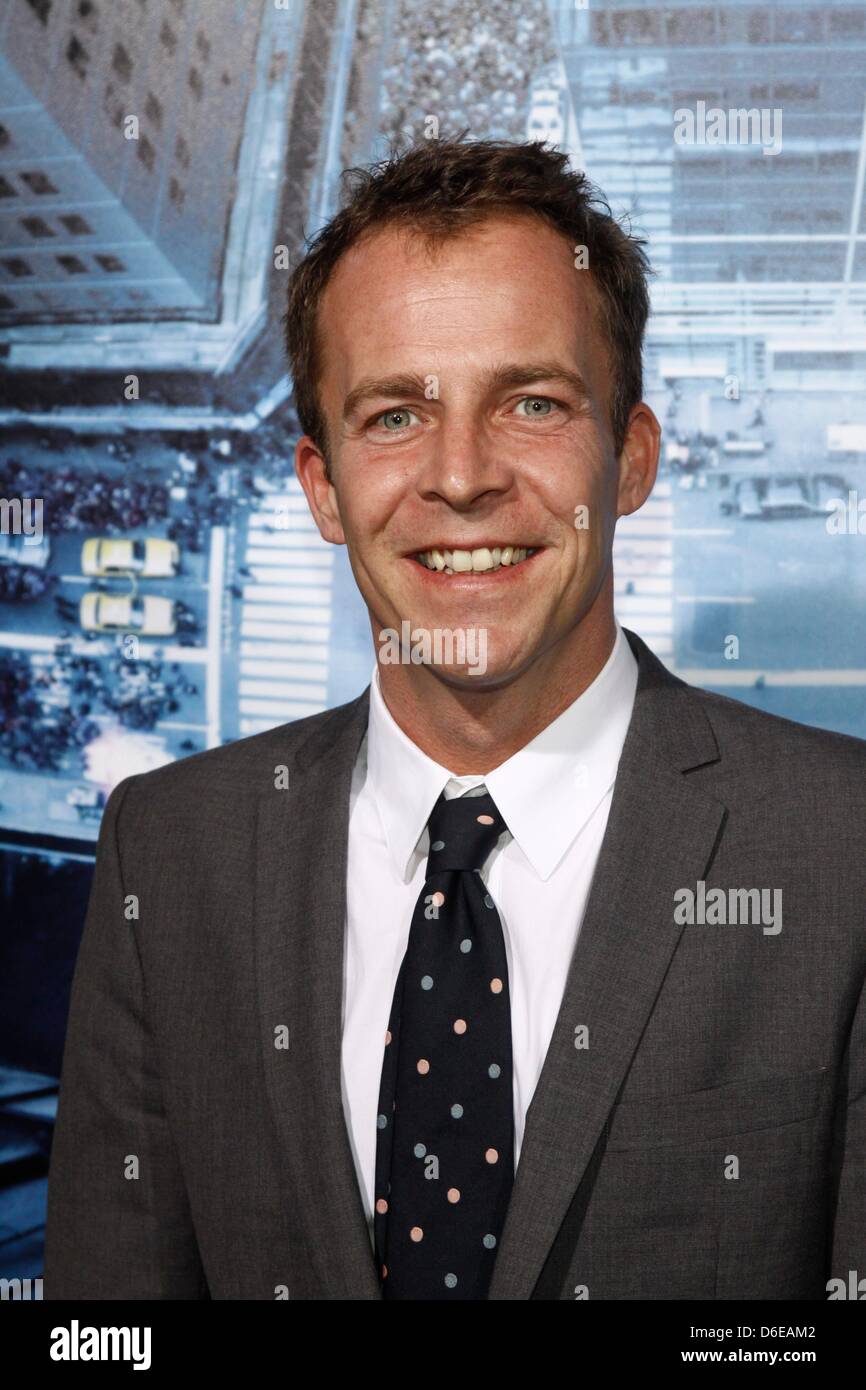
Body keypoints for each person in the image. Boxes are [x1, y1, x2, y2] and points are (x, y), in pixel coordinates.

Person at [44, 138, 865, 1301]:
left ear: (627, 459)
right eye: (392, 416)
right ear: (322, 486)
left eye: (530, 401)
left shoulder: (842, 847)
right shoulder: (170, 849)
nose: (462, 475)